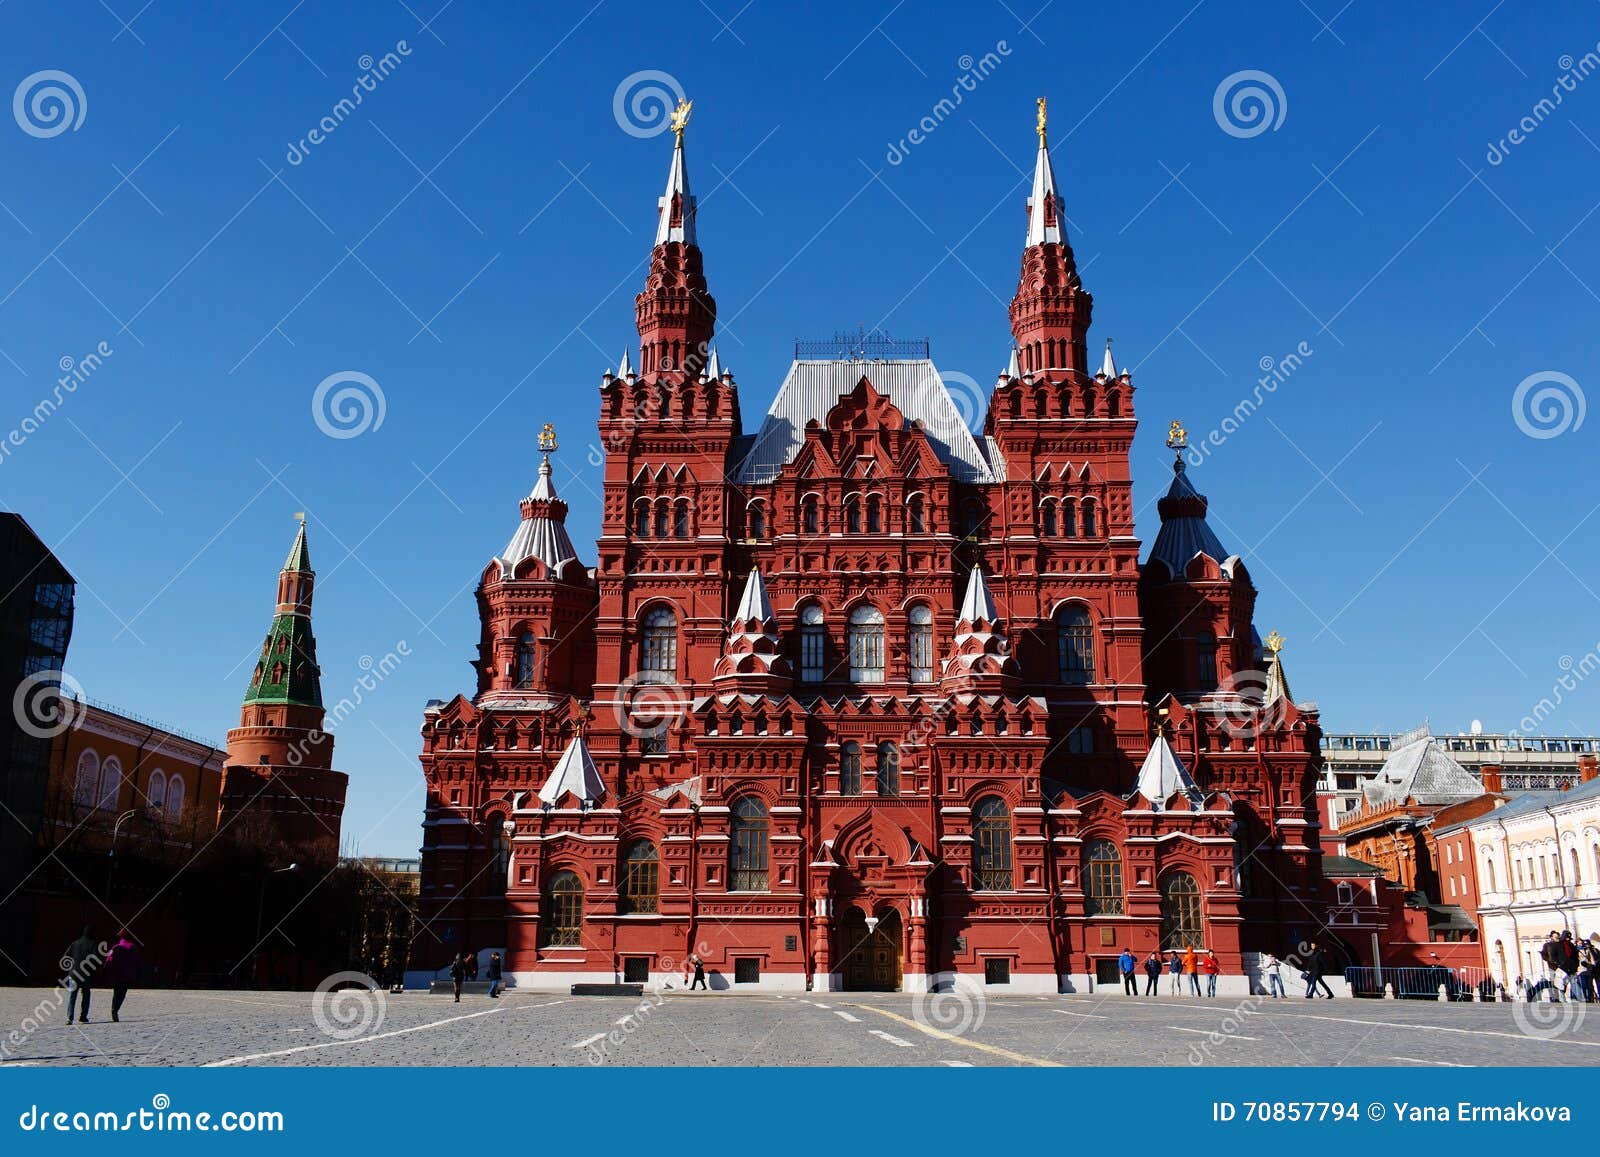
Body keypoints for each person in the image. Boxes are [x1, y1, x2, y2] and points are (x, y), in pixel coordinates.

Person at [62, 926, 100, 1024]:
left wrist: (72, 966)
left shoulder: (75, 943)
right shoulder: (93, 944)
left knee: (72, 996)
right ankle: (83, 1017)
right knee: (86, 995)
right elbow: (96, 959)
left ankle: (69, 1018)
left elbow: (65, 956)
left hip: (73, 973)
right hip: (85, 974)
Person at [104, 931, 138, 1023]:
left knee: (116, 993)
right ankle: (116, 1009)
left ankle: (114, 1009)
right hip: (127, 975)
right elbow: (136, 963)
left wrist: (108, 972)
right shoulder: (133, 948)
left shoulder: (115, 948)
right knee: (122, 994)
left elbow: (108, 961)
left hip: (116, 975)